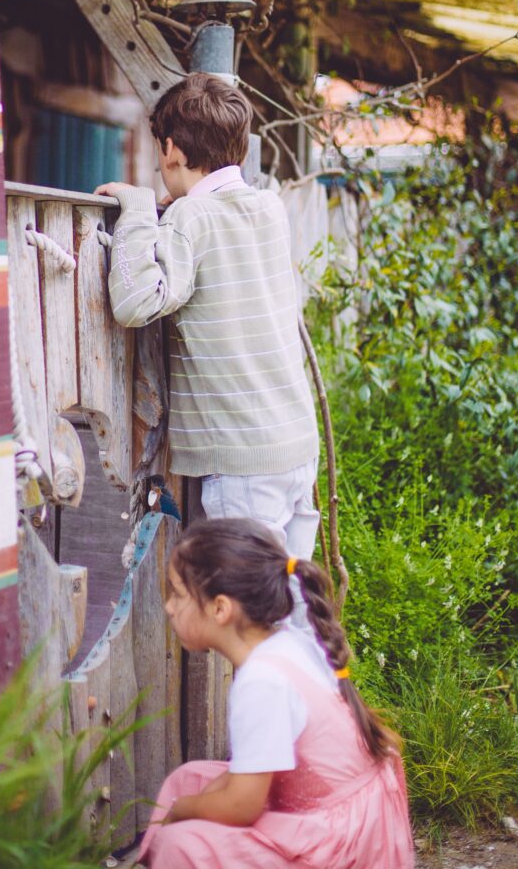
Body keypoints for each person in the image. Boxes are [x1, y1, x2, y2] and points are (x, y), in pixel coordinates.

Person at [95, 73, 320, 558]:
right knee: (292, 601)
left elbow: (136, 303)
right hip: (295, 447)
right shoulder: (269, 207)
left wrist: (136, 210)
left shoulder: (189, 218)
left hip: (242, 463)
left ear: (171, 149)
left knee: (239, 614)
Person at [139, 518, 415, 869]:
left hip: (338, 843)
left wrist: (182, 810)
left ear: (220, 608)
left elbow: (242, 806)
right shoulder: (289, 642)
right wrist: (195, 798)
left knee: (180, 844)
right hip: (350, 811)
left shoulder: (261, 681)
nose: (169, 607)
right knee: (187, 779)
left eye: (177, 594)